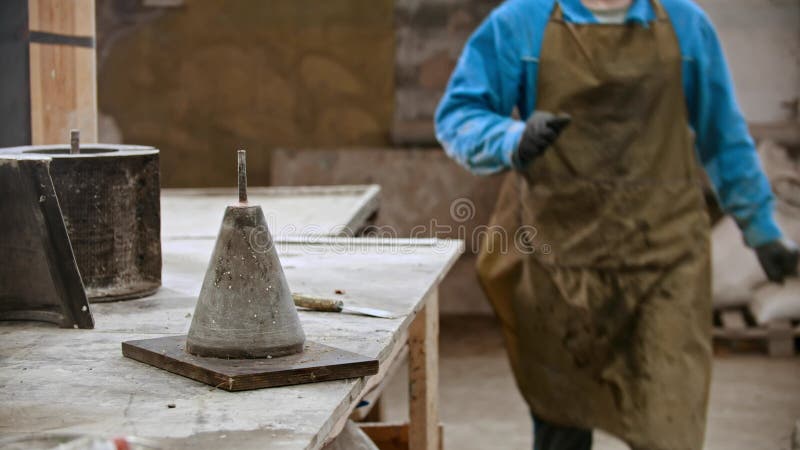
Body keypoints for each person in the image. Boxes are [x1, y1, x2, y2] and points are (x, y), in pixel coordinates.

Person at [434, 0, 799, 449]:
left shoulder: (686, 25)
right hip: (561, 265)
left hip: (664, 266)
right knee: (561, 420)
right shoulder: (521, 23)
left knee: (670, 425)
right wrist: (510, 137)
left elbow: (723, 138)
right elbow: (458, 115)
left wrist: (762, 233)